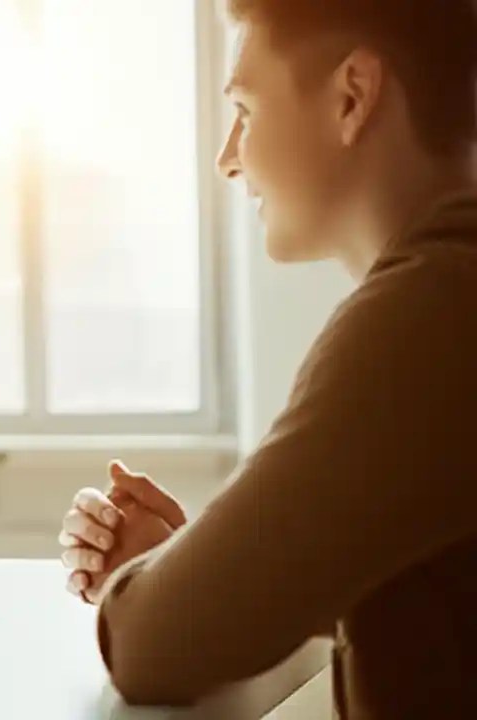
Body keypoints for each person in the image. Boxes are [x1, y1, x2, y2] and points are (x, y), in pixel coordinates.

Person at [57, 0, 477, 716]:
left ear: (352, 97)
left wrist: (150, 584)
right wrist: (206, 565)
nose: (228, 158)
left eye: (245, 109)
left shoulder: (428, 316)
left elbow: (153, 643)